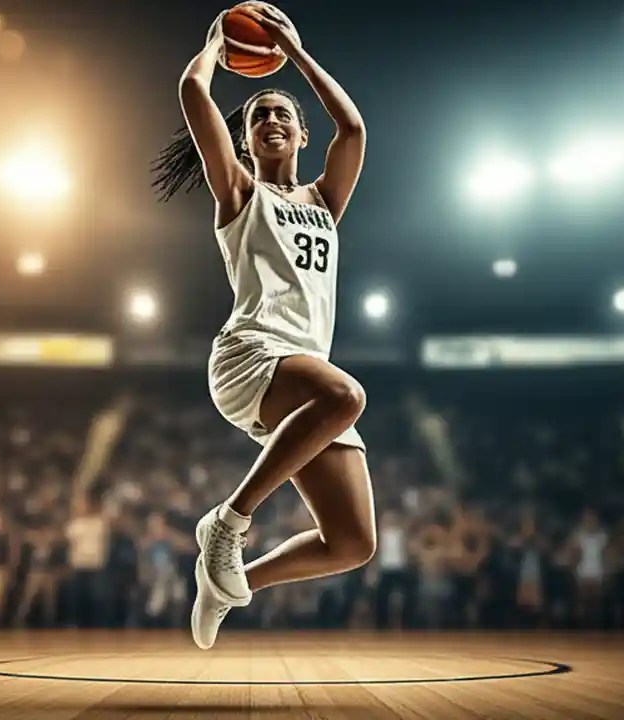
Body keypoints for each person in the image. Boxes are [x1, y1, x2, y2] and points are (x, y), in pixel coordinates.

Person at [152, 2, 374, 649]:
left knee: (352, 542)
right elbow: (193, 90)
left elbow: (353, 128)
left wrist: (296, 53)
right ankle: (227, 522)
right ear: (244, 140)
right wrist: (216, 43)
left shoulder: (324, 201)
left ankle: (227, 580)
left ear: (302, 136)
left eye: (281, 114)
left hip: (301, 374)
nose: (270, 120)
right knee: (346, 394)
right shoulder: (241, 195)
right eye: (257, 116)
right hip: (252, 354)